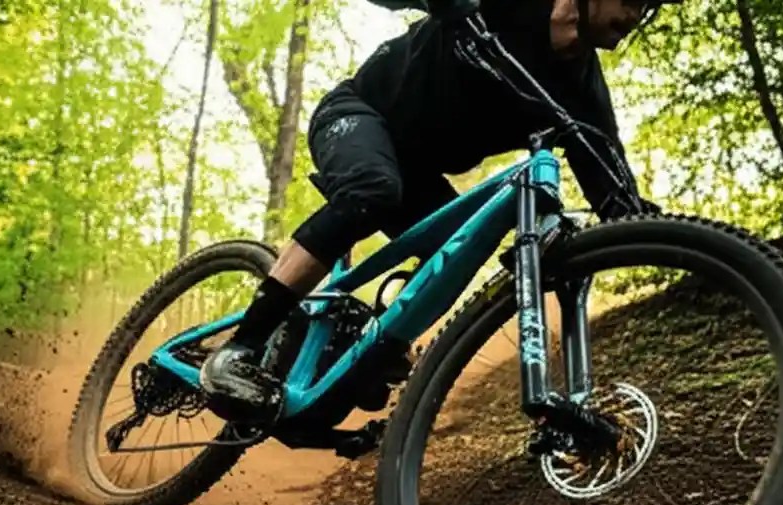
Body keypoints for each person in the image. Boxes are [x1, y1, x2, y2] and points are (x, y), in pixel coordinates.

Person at [201, 0, 668, 423]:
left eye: (646, 8)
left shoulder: (582, 91)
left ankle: (366, 344)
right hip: (360, 113)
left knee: (463, 247)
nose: (635, 17)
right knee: (373, 189)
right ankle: (237, 351)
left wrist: (666, 239)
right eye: (630, 0)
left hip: (417, 172)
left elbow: (613, 188)